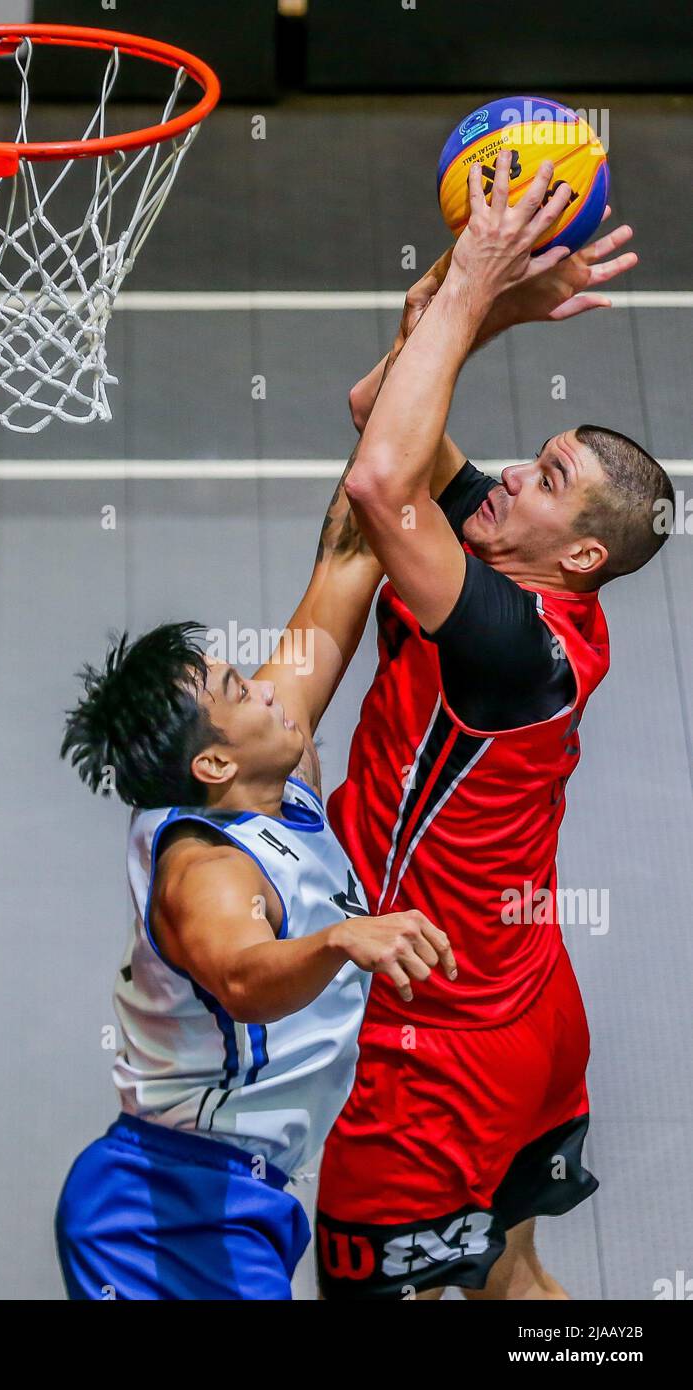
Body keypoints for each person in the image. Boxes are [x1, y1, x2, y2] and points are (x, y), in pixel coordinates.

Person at [315, 153, 674, 1300]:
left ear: (579, 554)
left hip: (433, 1039)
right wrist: (471, 306)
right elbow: (384, 416)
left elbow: (377, 486)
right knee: (511, 1289)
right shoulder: (522, 575)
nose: (513, 471)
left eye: (546, 473)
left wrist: (473, 275)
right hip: (525, 1004)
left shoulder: (509, 643)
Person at [54, 445, 455, 1299]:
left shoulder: (272, 779)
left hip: (236, 1198)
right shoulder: (205, 870)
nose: (269, 689)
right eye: (241, 688)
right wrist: (342, 940)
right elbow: (240, 977)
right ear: (211, 766)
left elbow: (350, 556)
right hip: (168, 1210)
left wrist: (434, 338)